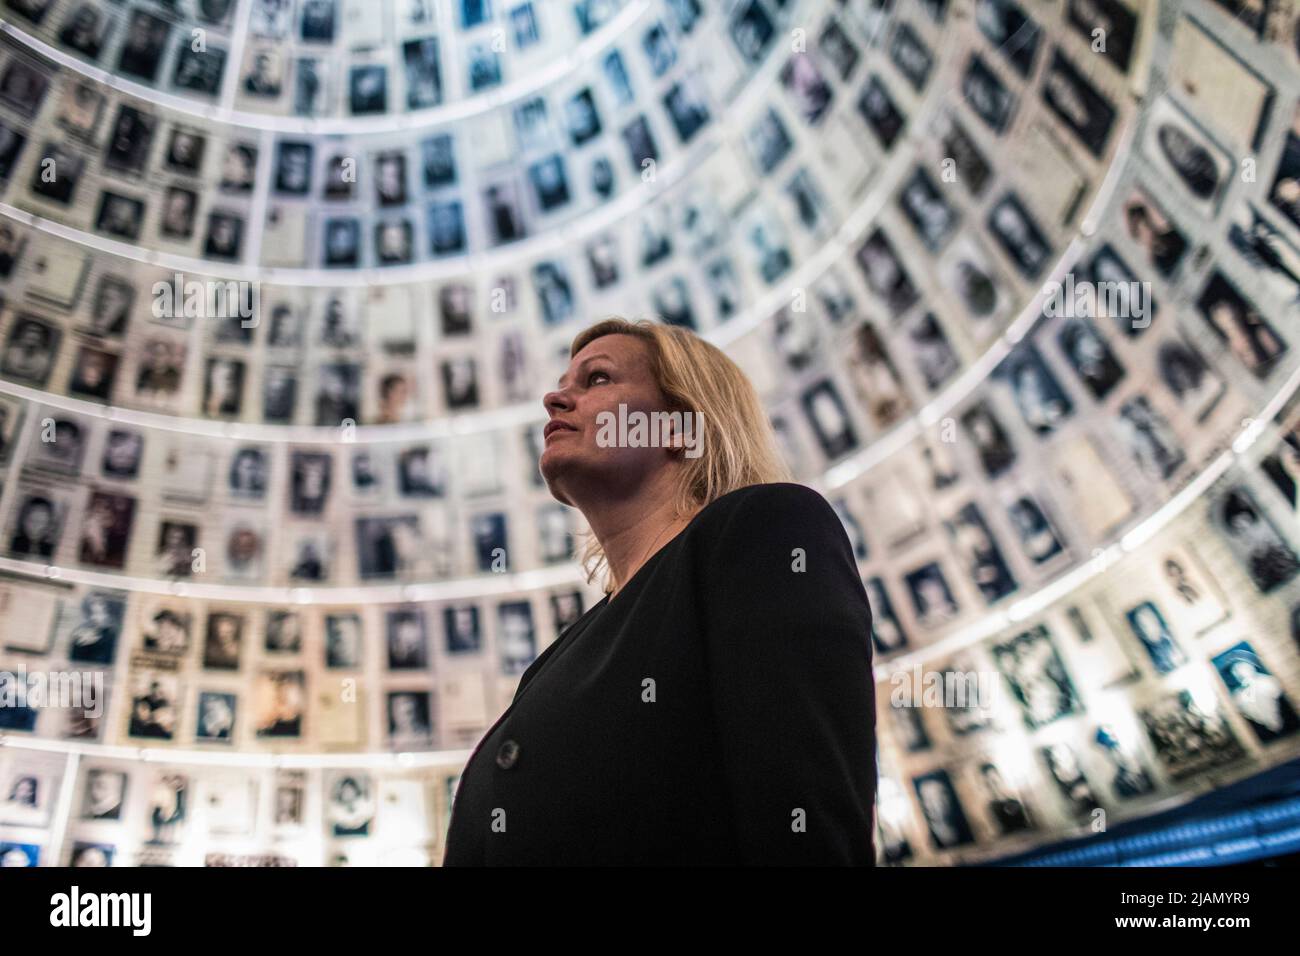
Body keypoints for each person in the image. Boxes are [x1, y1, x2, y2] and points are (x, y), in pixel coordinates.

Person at [442, 317, 877, 865]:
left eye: (597, 380)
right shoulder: (559, 657)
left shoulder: (767, 530)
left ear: (677, 427)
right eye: (564, 382)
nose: (554, 398)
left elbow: (808, 831)